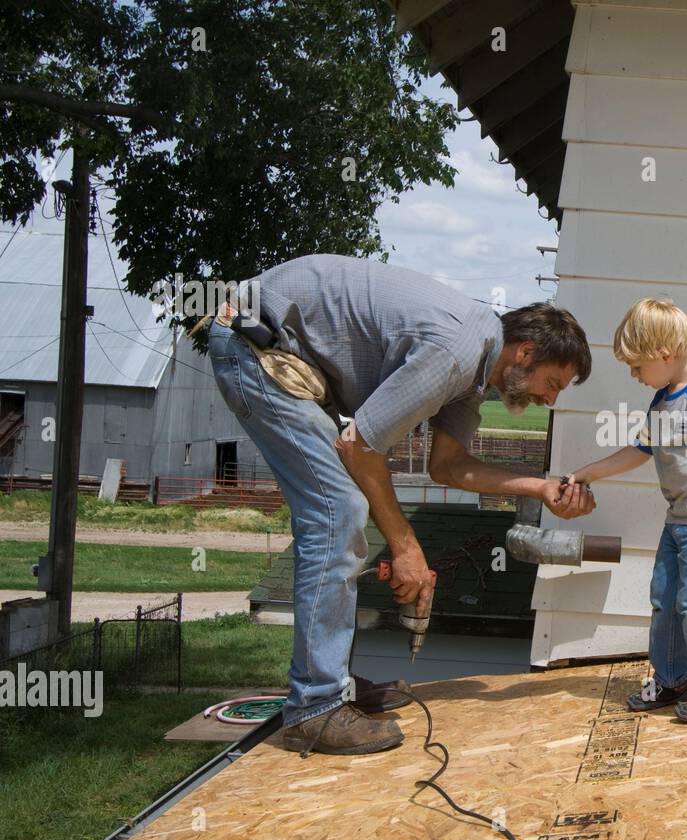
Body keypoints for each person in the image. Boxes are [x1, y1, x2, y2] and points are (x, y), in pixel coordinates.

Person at [205, 254, 595, 754]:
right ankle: (315, 708)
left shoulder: (474, 372)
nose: (551, 399)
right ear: (524, 354)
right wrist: (406, 548)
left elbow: (448, 468)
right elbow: (361, 446)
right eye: (553, 384)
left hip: (283, 348)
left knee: (342, 509)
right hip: (254, 343)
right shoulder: (456, 352)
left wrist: (540, 487)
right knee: (338, 511)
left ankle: (332, 687)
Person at [564, 297, 687, 724]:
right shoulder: (661, 401)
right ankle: (674, 680)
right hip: (678, 525)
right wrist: (588, 473)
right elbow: (638, 451)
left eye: (636, 366)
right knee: (666, 601)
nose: (634, 375)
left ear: (664, 355)